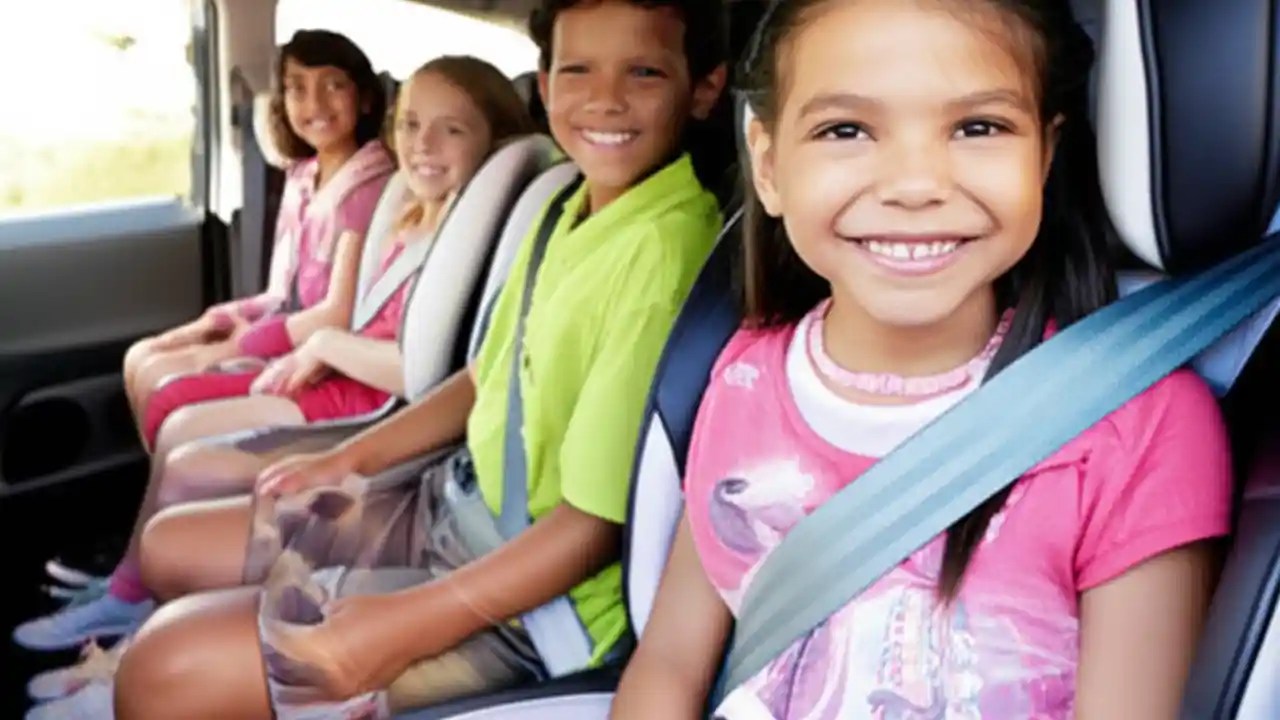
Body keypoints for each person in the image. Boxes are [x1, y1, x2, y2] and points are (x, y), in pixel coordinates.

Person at [610, 1, 1233, 718]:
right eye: (845, 129)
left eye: (978, 128)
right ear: (769, 162)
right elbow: (669, 664)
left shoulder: (1138, 429)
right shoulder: (744, 376)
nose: (914, 184)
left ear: (1045, 154)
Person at [15, 55, 532, 709]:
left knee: (185, 441)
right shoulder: (407, 209)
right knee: (172, 424)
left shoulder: (466, 221)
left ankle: (136, 628)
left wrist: (294, 355)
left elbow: (419, 365)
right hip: (376, 414)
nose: (423, 145)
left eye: (451, 130)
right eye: (413, 125)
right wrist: (227, 332)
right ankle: (135, 608)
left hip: (375, 406)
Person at [122, 30, 394, 443]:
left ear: (366, 98)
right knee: (141, 358)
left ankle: (181, 487)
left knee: (166, 392)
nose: (315, 104)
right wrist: (212, 322)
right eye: (297, 89)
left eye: (334, 86)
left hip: (323, 355)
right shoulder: (303, 178)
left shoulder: (368, 189)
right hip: (284, 329)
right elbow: (279, 292)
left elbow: (336, 314)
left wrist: (237, 346)